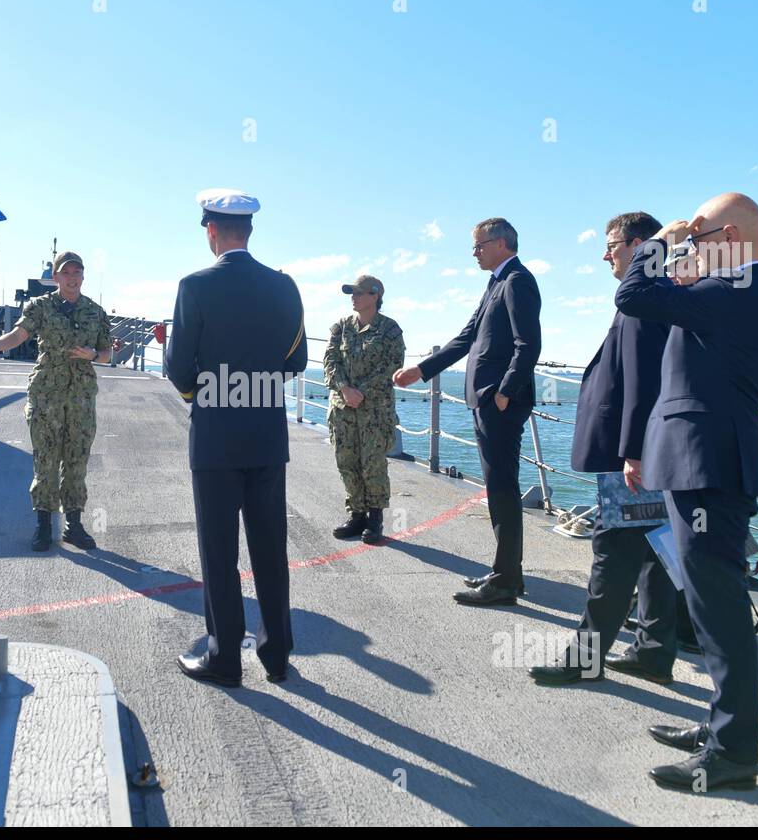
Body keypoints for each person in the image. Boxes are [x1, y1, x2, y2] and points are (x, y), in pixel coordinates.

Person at [613, 192, 758, 792]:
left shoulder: (737, 292)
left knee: (720, 613)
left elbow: (633, 295)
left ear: (731, 235)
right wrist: (689, 255)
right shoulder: (740, 292)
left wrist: (659, 241)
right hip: (702, 464)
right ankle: (721, 728)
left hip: (709, 470)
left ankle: (734, 752)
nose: (689, 246)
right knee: (712, 610)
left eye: (699, 235)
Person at [165, 188, 307, 688]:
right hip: (267, 433)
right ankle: (277, 655)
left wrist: (202, 391)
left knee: (219, 552)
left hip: (217, 438)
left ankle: (225, 657)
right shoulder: (284, 287)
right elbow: (296, 361)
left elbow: (180, 368)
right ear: (248, 231)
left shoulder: (195, 286)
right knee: (271, 547)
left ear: (211, 231)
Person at [529, 212, 678, 686]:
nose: (605, 254)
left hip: (630, 457)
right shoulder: (664, 292)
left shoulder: (640, 299)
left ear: (638, 244)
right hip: (649, 451)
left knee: (613, 553)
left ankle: (585, 659)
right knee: (656, 551)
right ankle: (654, 652)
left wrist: (634, 451)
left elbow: (642, 380)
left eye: (611, 244)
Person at [393, 217, 541, 606]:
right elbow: (466, 338)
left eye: (479, 245)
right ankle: (507, 572)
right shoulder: (496, 283)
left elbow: (529, 346)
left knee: (503, 489)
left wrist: (505, 393)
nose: (473, 252)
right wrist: (421, 370)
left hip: (498, 402)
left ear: (502, 244)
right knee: (498, 489)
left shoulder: (517, 281)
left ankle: (506, 580)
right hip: (487, 401)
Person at [0, 251, 111, 552]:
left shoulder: (95, 311)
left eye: (77, 272)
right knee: (46, 459)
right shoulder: (40, 307)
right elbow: (20, 333)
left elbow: (106, 353)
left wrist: (93, 355)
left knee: (77, 459)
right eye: (66, 272)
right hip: (46, 394)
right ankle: (42, 525)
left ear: (83, 276)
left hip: (80, 396)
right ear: (56, 277)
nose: (73, 277)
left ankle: (73, 526)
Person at [323, 275, 405, 544]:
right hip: (343, 409)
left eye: (359, 293)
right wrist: (345, 389)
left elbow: (392, 366)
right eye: (352, 293)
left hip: (374, 411)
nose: (353, 297)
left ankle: (375, 518)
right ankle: (356, 515)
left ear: (375, 296)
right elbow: (331, 361)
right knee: (346, 462)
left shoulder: (390, 330)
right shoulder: (341, 327)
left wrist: (362, 392)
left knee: (373, 464)